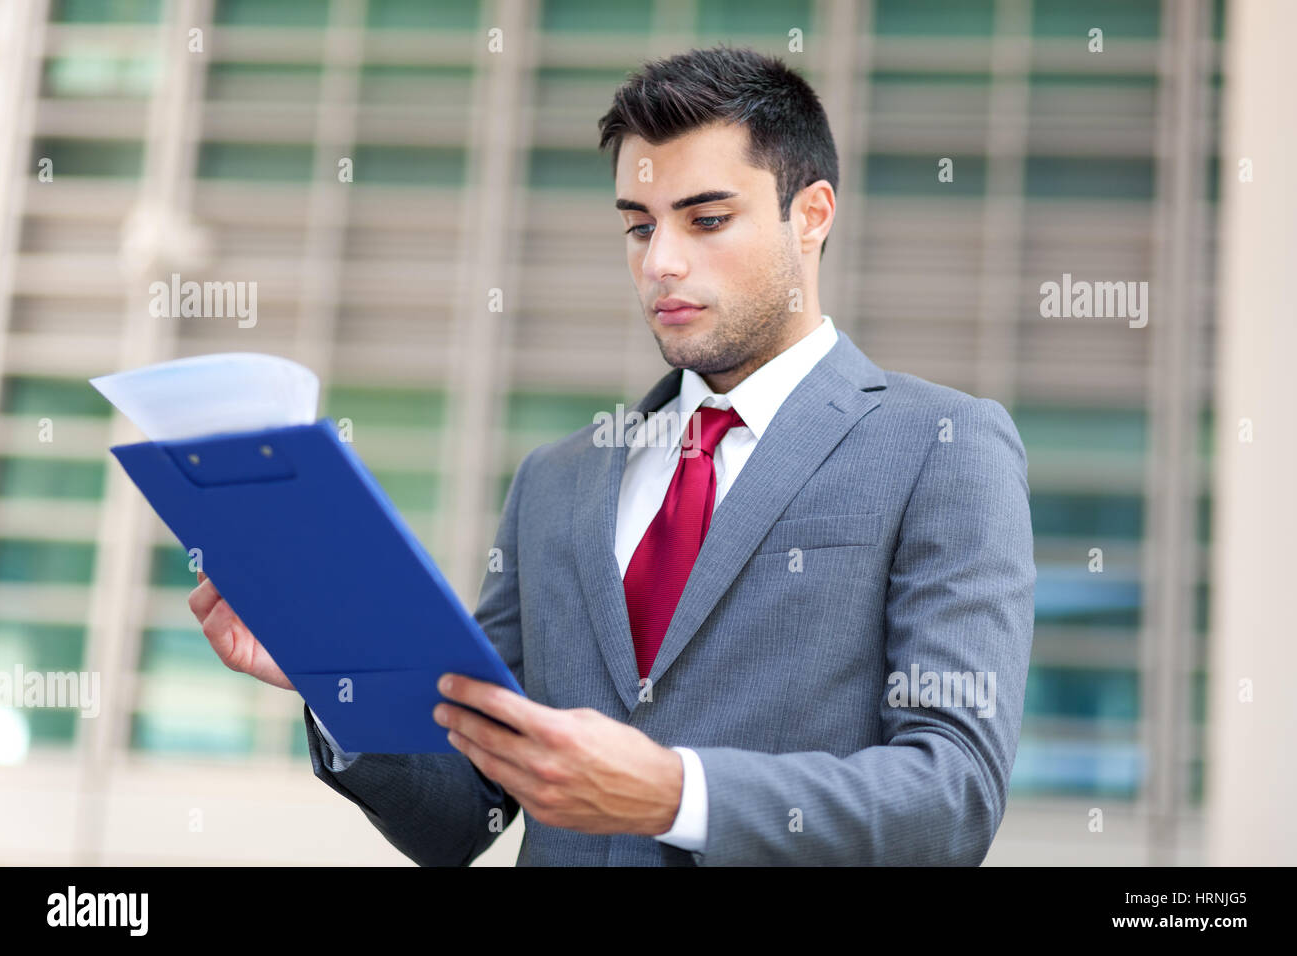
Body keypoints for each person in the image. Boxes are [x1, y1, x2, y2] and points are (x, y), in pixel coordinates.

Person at [188, 45, 1035, 866]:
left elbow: (950, 796)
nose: (662, 262)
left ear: (809, 215)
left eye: (707, 220)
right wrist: (331, 672)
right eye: (639, 227)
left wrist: (676, 795)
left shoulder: (941, 449)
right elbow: (467, 809)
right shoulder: (556, 482)